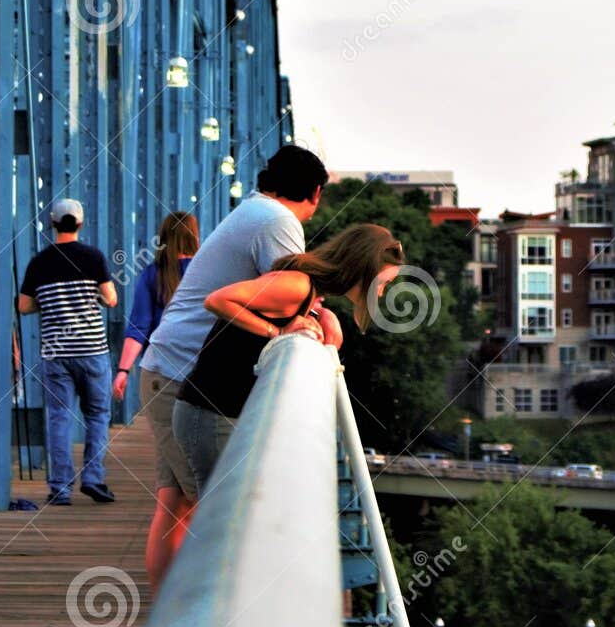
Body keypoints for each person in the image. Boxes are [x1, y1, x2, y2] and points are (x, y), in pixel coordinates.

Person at [137, 143, 327, 589]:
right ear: (315, 193)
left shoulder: (253, 212)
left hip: (166, 368)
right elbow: (286, 295)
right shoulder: (279, 222)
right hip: (183, 376)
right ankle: (191, 623)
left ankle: (167, 616)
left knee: (175, 503)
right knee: (211, 508)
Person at [172, 223, 404, 496]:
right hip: (209, 415)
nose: (381, 292)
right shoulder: (297, 285)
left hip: (218, 412)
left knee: (227, 519)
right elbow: (217, 300)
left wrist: (323, 317)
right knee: (220, 523)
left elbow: (278, 309)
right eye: (383, 283)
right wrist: (278, 332)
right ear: (362, 269)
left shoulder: (309, 291)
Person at [18, 197, 118, 506]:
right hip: (92, 350)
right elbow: (111, 299)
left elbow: (23, 306)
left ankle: (60, 488)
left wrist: (46, 303)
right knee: (98, 414)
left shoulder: (39, 262)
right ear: (80, 222)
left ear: (52, 223)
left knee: (60, 417)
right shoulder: (94, 257)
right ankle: (93, 478)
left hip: (56, 352)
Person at [114, 212, 200, 403]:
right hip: (199, 370)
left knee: (167, 432)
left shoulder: (153, 274)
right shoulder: (206, 272)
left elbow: (139, 327)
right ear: (194, 236)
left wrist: (123, 370)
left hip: (161, 370)